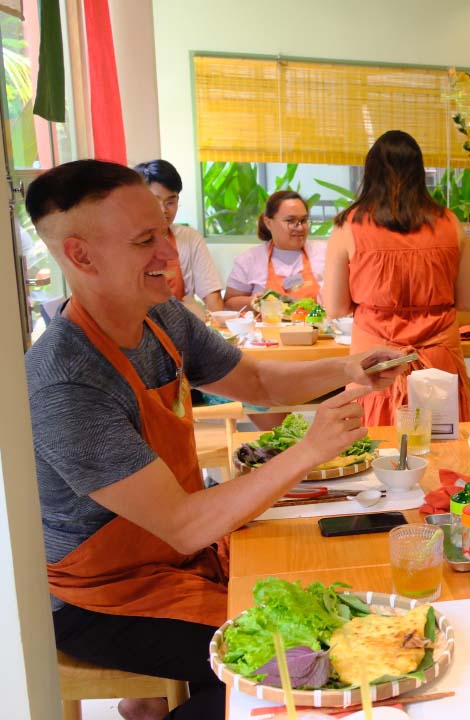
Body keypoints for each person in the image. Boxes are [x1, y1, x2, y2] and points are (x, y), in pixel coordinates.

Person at [24, 160, 410, 720]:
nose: (168, 252)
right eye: (144, 241)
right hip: (99, 596)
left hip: (177, 558)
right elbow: (183, 521)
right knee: (295, 666)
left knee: (325, 618)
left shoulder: (163, 319)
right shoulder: (66, 379)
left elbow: (254, 379)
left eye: (163, 231)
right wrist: (307, 451)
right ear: (80, 256)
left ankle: (149, 706)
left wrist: (350, 368)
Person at [323, 130, 470, 425]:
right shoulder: (450, 223)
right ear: (419, 172)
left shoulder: (348, 226)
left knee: (376, 452)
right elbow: (467, 301)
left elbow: (334, 307)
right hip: (438, 359)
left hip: (376, 363)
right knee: (441, 451)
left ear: (370, 173)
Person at [132, 159, 223, 313]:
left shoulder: (189, 238)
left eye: (170, 202)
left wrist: (218, 329)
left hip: (181, 326)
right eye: (155, 200)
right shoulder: (124, 242)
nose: (163, 210)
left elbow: (212, 295)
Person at [224, 190, 326, 311]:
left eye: (303, 220)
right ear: (268, 223)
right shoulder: (249, 260)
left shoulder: (325, 253)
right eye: (290, 221)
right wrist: (255, 302)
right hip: (268, 327)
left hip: (314, 325)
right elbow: (229, 302)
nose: (300, 227)